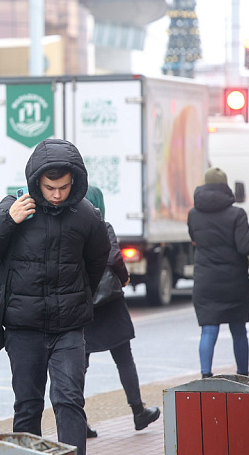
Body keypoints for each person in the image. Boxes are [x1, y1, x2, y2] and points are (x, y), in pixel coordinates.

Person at [0, 139, 110, 455]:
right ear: (37, 181)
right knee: (28, 406)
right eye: (49, 188)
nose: (57, 194)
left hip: (68, 328)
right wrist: (8, 220)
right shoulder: (15, 206)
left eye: (63, 187)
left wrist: (77, 296)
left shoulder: (86, 214)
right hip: (23, 328)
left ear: (74, 180)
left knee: (69, 401)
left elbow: (97, 261)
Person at [82, 185, 160, 438]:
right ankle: (138, 412)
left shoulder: (71, 228)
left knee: (78, 365)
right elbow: (114, 258)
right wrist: (124, 278)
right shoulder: (103, 226)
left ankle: (77, 420)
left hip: (81, 304)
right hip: (110, 303)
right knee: (124, 357)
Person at [187, 167, 249, 379]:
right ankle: (243, 375)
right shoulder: (236, 214)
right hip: (234, 281)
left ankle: (206, 376)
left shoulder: (193, 214)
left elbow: (194, 239)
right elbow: (245, 246)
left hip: (205, 281)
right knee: (238, 330)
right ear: (225, 186)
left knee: (208, 329)